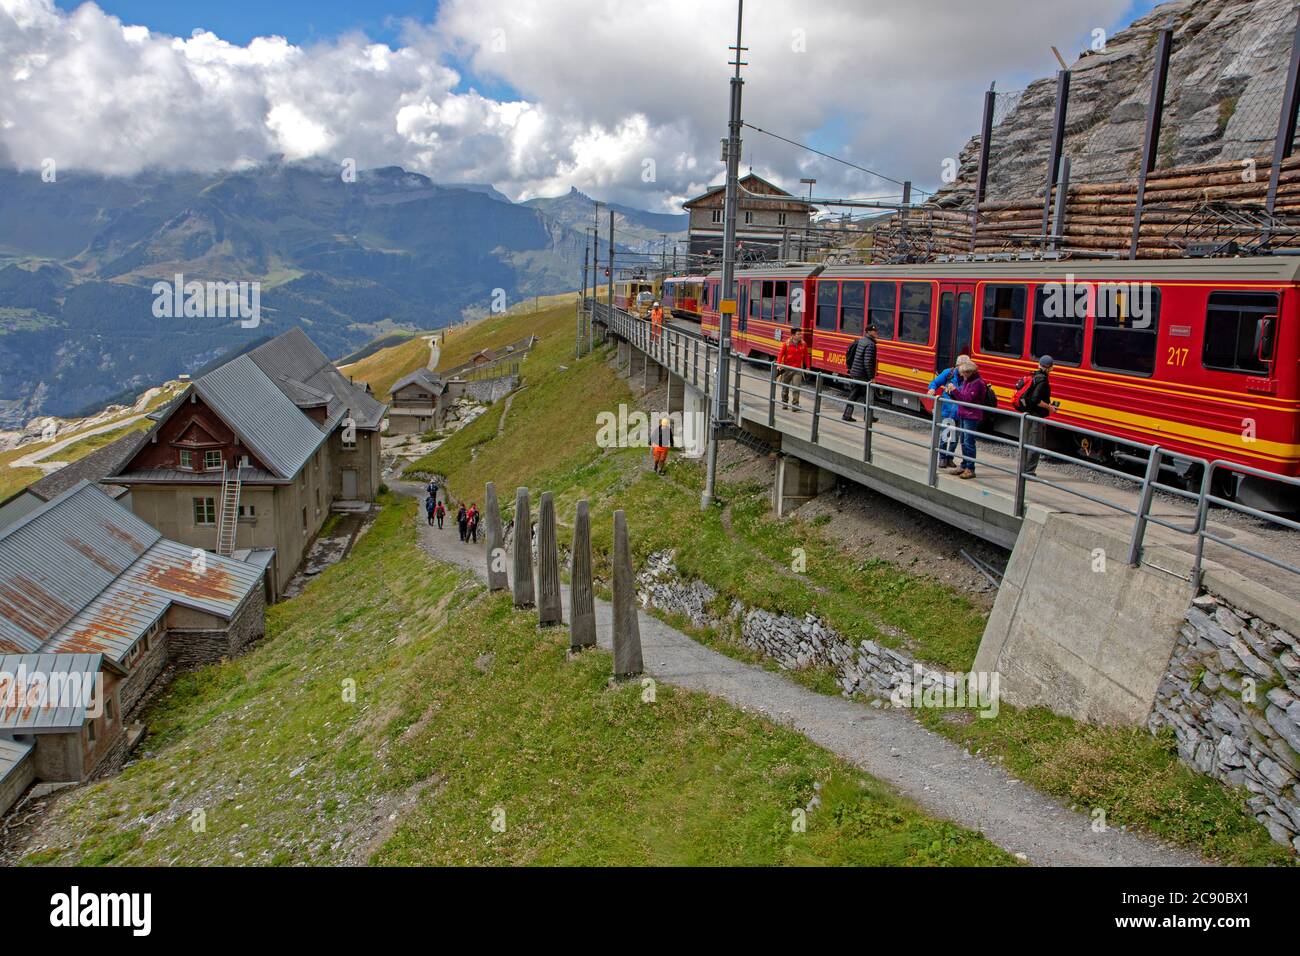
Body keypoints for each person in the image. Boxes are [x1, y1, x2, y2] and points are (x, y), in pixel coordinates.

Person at [928, 356, 969, 471]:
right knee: (946, 435)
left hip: (960, 412)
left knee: (955, 437)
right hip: (948, 410)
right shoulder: (949, 373)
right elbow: (935, 382)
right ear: (958, 366)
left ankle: (950, 457)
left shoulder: (967, 376)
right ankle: (942, 457)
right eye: (963, 368)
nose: (965, 371)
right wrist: (932, 389)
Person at [947, 357, 986, 479]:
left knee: (969, 442)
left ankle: (970, 468)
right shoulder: (968, 381)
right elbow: (962, 397)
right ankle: (964, 465)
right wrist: (951, 392)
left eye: (964, 374)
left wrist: (955, 391)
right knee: (964, 441)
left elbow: (967, 400)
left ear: (970, 372)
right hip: (964, 414)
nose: (962, 376)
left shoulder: (977, 383)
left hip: (971, 416)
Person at [1020, 355, 1054, 476]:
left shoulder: (1034, 375)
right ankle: (1028, 472)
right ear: (1049, 368)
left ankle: (1023, 469)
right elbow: (1035, 399)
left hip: (1029, 413)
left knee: (1027, 442)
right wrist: (1049, 407)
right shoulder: (1043, 380)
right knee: (1035, 444)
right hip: (1036, 415)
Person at [842, 324, 878, 423]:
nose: (876, 332)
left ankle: (847, 415)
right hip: (863, 375)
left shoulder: (861, 340)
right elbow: (868, 362)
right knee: (868, 396)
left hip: (856, 372)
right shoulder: (870, 344)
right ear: (869, 332)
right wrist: (872, 377)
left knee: (854, 394)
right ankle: (867, 417)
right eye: (874, 331)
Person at [775, 327, 809, 411]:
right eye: (798, 334)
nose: (800, 336)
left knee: (796, 388)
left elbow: (806, 356)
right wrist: (779, 365)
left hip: (797, 369)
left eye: (801, 334)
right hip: (787, 369)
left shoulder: (803, 344)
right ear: (793, 335)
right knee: (785, 387)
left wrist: (807, 367)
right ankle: (784, 403)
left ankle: (795, 405)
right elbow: (780, 354)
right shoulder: (786, 344)